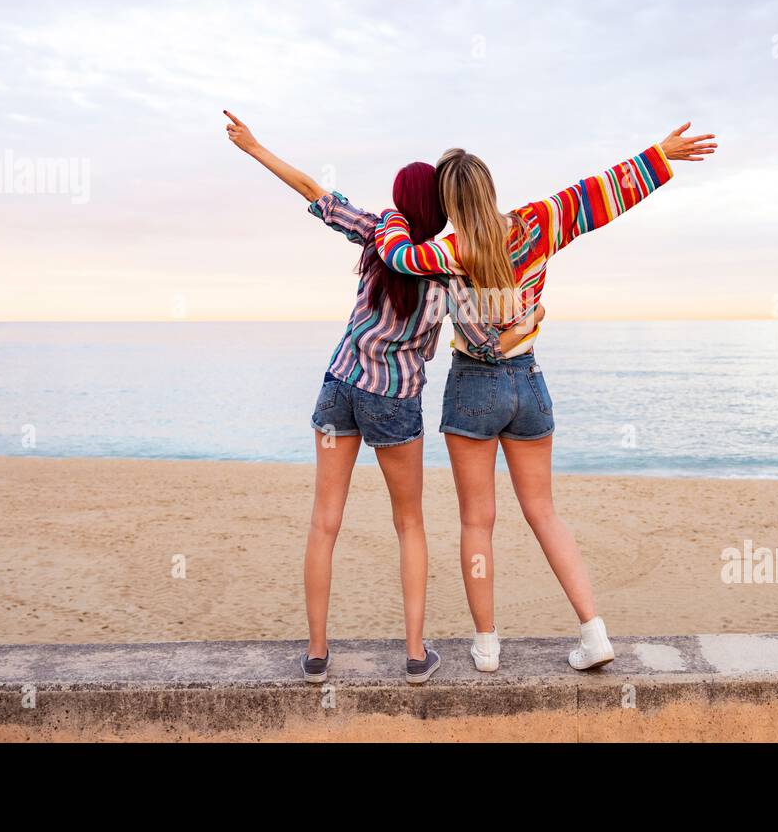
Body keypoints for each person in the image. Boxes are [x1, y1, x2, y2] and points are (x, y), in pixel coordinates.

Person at [374, 125, 717, 670]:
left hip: (472, 388)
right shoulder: (539, 224)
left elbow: (394, 255)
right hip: (528, 383)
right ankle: (594, 632)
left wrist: (395, 216)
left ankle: (486, 647)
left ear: (448, 203)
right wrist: (659, 156)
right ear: (490, 188)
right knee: (545, 514)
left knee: (475, 522)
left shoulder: (447, 251)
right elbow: (599, 194)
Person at [223, 110, 542, 684]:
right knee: (409, 524)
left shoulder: (378, 234)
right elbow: (484, 345)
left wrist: (253, 147)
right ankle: (416, 655)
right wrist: (530, 322)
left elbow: (312, 191)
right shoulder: (448, 270)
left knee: (324, 522)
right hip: (393, 400)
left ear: (401, 201)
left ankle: (317, 654)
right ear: (442, 210)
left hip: (338, 388)